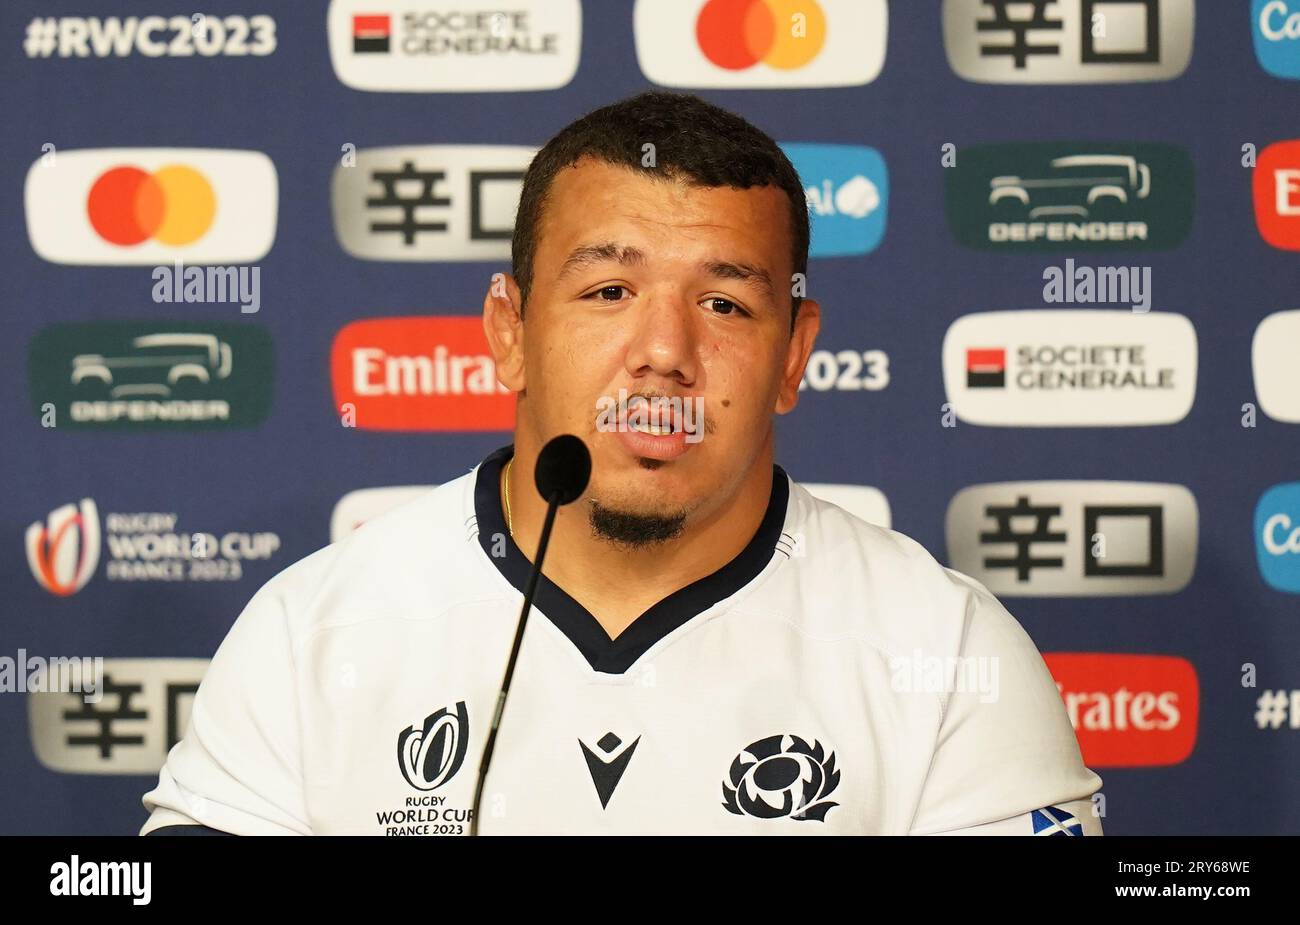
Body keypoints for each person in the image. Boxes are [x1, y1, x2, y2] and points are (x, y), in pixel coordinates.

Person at [140, 91, 1102, 835]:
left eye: (725, 304)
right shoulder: (309, 636)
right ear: (509, 332)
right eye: (608, 289)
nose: (663, 351)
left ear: (795, 355)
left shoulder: (947, 654)